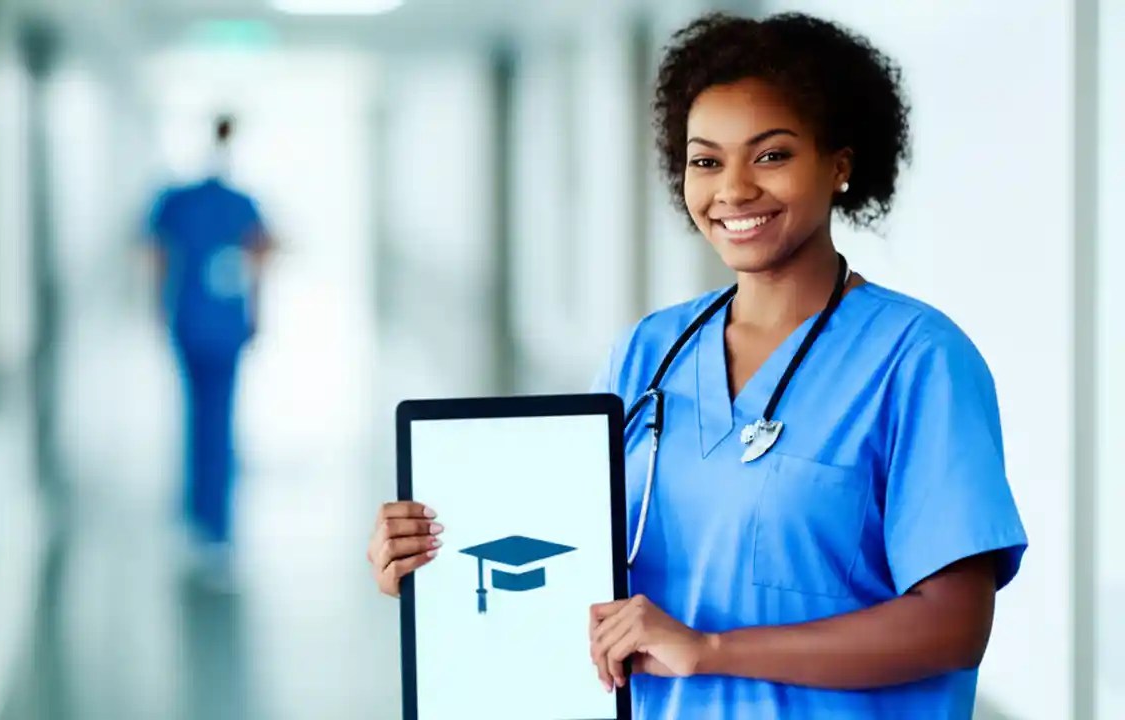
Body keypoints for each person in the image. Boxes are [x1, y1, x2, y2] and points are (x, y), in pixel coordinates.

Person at [365, 11, 1027, 719]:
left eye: (771, 155)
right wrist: (431, 558)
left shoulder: (919, 359)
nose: (733, 190)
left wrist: (713, 649)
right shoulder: (648, 354)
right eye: (706, 160)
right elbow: (569, 561)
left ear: (840, 163)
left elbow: (955, 625)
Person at [147, 115, 276, 572]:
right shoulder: (241, 204)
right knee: (219, 418)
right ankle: (215, 523)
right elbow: (262, 257)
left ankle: (196, 513)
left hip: (189, 320)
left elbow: (157, 257)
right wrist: (257, 314)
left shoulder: (176, 201)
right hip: (225, 325)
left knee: (195, 415)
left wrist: (159, 310)